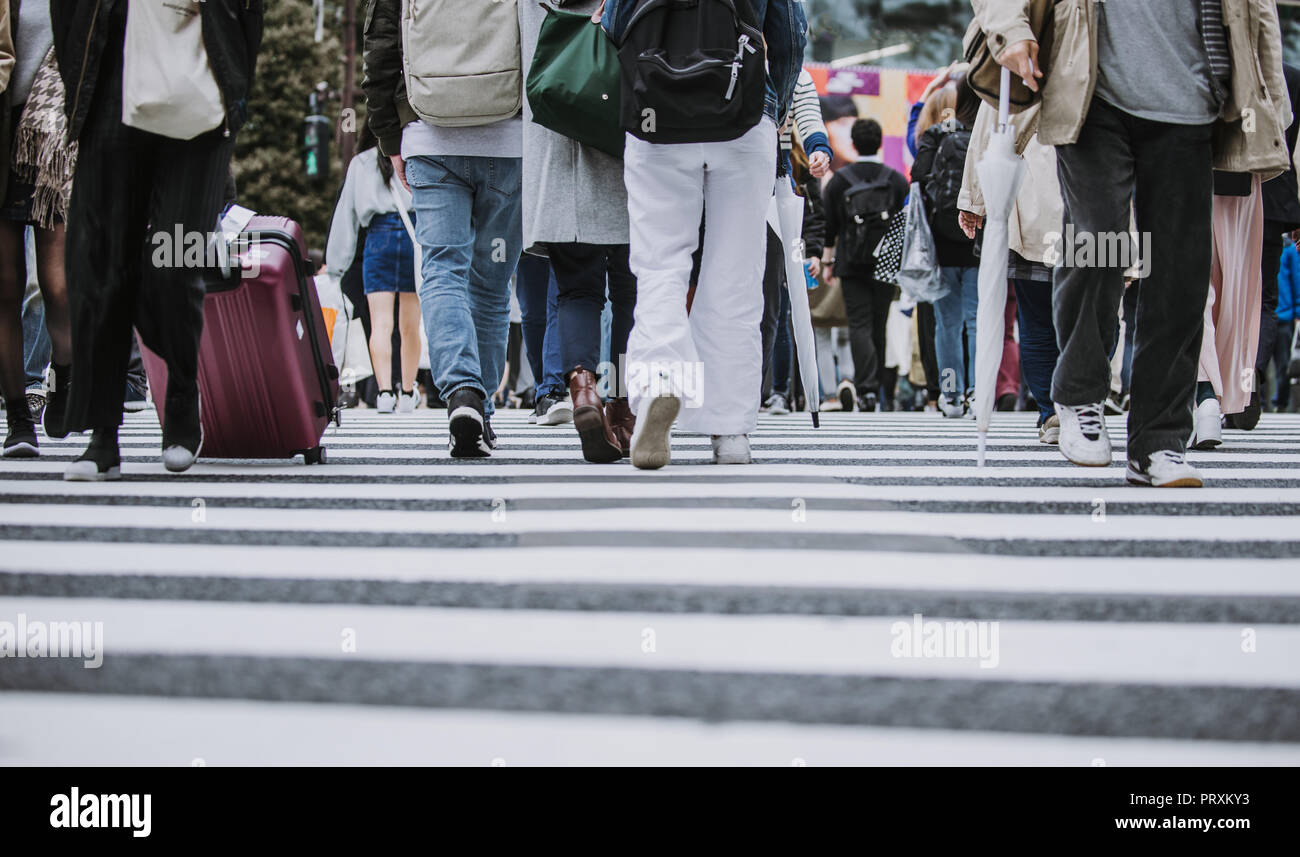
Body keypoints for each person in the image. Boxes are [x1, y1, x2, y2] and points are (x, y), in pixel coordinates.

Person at [984, 0, 1291, 487]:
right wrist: (1010, 28)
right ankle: (1081, 394)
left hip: (1192, 103)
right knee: (1099, 243)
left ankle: (1158, 439)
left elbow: (1257, 11)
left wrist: (1269, 103)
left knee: (1180, 275)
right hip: (1091, 93)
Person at [53, 0, 263, 480]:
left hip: (200, 81)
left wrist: (237, 87)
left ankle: (182, 390)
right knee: (102, 263)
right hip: (110, 75)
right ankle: (102, 433)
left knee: (175, 255)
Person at [602, 0, 807, 469]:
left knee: (660, 266)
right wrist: (774, 104)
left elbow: (615, 24)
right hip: (742, 113)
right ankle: (730, 430)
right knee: (735, 275)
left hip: (656, 114)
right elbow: (792, 33)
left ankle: (661, 380)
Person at [364, 0, 523, 457]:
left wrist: (388, 137)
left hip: (429, 137)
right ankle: (481, 407)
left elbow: (381, 47)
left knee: (442, 270)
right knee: (492, 284)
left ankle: (462, 393)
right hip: (508, 140)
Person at [520, 0, 635, 463]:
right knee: (632, 292)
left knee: (577, 291)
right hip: (628, 142)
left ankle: (583, 389)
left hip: (559, 150)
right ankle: (623, 406)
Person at [959, 100, 1064, 444]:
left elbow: (988, 129)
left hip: (1027, 204)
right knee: (1096, 314)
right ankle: (1078, 402)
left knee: (1035, 320)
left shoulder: (1014, 66)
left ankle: (1052, 414)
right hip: (1095, 204)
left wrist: (973, 200)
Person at [0, 1, 71, 457]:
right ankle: (17, 420)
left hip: (53, 137)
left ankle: (63, 374)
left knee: (55, 283)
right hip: (3, 129)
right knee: (4, 285)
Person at [325, 124, 421, 415]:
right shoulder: (414, 154)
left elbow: (347, 216)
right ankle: (407, 391)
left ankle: (384, 392)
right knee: (410, 325)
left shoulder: (360, 163)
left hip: (377, 238)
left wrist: (336, 264)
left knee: (380, 323)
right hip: (412, 233)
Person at [821, 118, 907, 413]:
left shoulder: (839, 181)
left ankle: (866, 390)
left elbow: (829, 226)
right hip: (886, 262)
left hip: (851, 261)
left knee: (858, 323)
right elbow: (903, 224)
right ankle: (882, 390)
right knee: (879, 324)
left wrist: (828, 261)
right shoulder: (896, 179)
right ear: (880, 142)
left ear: (854, 144)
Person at [912, 76, 981, 418]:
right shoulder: (987, 134)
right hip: (979, 239)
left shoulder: (936, 135)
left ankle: (950, 394)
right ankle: (976, 391)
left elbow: (917, 177)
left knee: (947, 323)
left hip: (941, 240)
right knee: (977, 320)